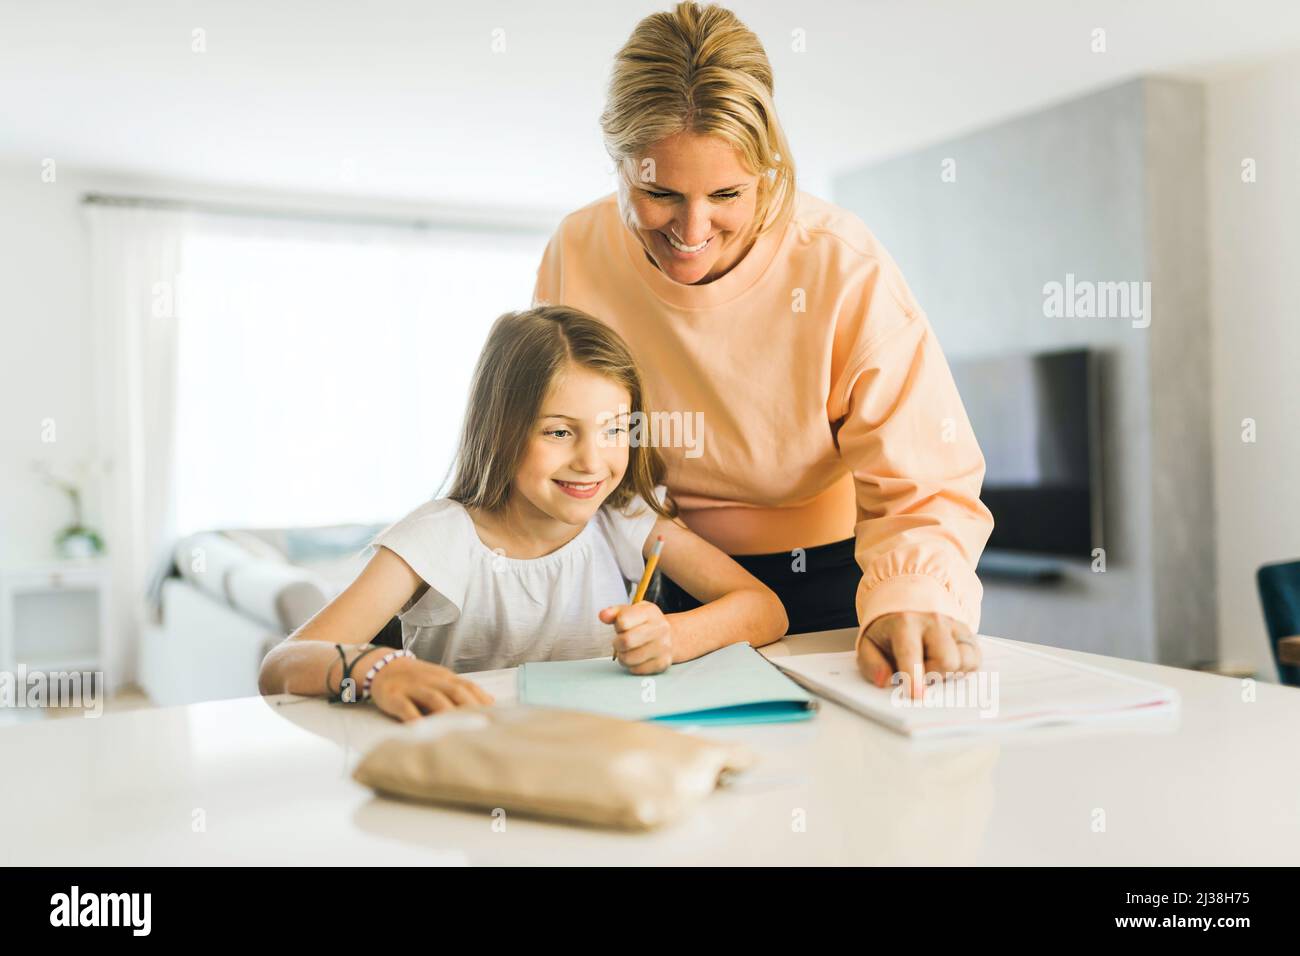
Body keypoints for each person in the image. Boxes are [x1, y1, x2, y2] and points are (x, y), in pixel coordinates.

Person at [533, 2, 994, 698]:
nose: (692, 229)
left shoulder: (843, 266)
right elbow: (545, 431)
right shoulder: (578, 249)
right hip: (652, 581)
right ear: (619, 163)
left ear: (768, 168)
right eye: (658, 192)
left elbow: (922, 482)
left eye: (727, 193)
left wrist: (912, 594)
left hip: (834, 580)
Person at [258, 306, 788, 721]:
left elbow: (765, 609)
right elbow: (282, 665)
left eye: (612, 430)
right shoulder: (439, 538)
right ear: (501, 431)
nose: (590, 461)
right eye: (558, 431)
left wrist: (673, 637)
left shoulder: (621, 515)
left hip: (597, 758)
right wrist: (379, 671)